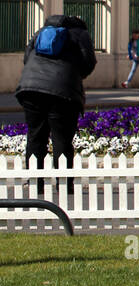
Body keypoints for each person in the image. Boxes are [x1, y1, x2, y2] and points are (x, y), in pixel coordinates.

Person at [16, 13, 96, 169]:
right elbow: (89, 62)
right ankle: (64, 184)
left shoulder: (41, 31)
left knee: (35, 136)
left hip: (30, 88)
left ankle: (35, 182)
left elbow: (27, 57)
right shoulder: (81, 34)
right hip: (63, 92)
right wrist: (75, 75)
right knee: (62, 138)